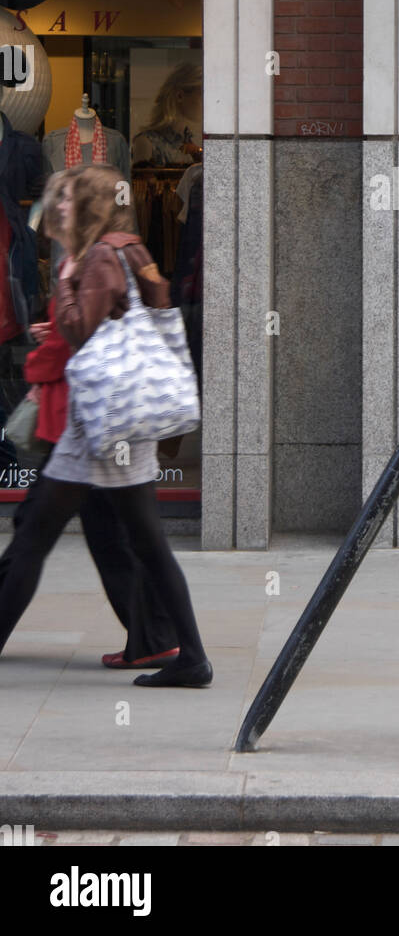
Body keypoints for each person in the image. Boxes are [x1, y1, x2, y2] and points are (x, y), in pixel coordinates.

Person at [0, 164, 211, 687]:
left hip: (96, 422)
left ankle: (187, 655)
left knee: (34, 535)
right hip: (130, 420)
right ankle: (190, 655)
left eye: (70, 198)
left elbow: (79, 329)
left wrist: (68, 286)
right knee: (147, 543)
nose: (61, 206)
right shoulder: (133, 247)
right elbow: (154, 308)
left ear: (91, 204)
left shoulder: (95, 256)